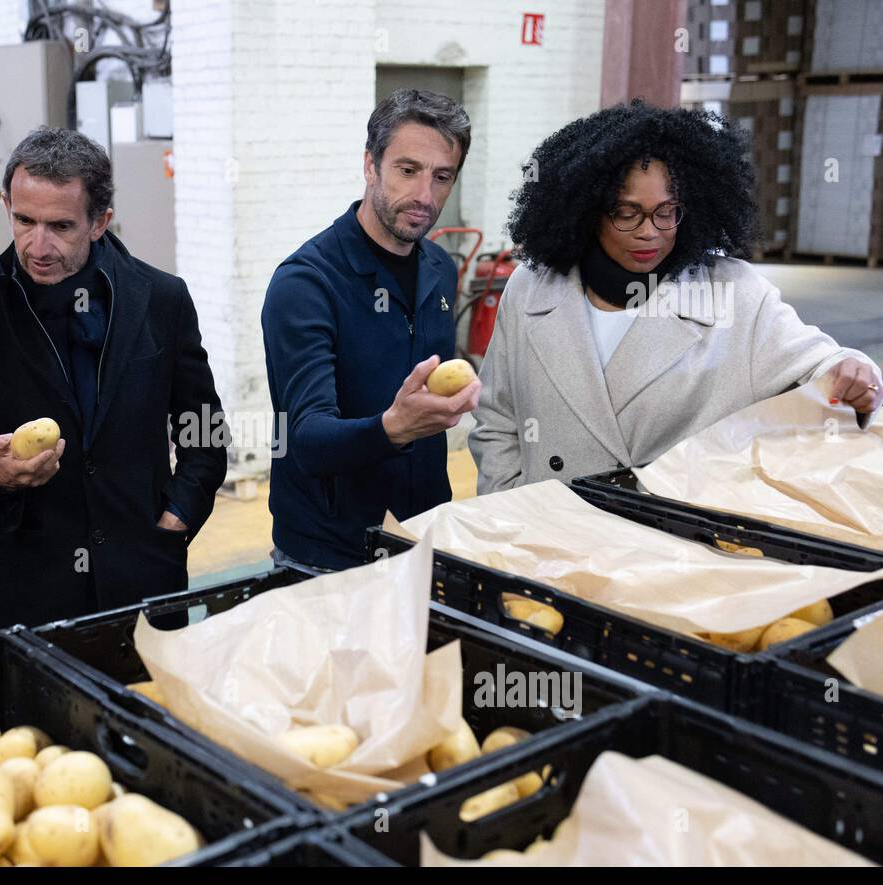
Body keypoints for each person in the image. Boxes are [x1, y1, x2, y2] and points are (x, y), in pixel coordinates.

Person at [470, 100, 882, 494]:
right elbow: (497, 418)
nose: (650, 231)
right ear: (587, 210)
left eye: (667, 211)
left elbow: (823, 365)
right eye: (627, 212)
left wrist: (854, 372)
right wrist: (507, 503)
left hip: (675, 547)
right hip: (547, 536)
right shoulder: (530, 289)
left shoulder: (735, 294)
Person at [0, 126, 227, 630]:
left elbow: (205, 434)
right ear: (7, 205)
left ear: (100, 222)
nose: (37, 245)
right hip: (33, 592)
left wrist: (175, 520)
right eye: (23, 220)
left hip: (146, 581)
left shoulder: (162, 300)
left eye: (60, 226)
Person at [261, 88, 480, 571]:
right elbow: (309, 439)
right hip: (326, 555)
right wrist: (394, 428)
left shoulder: (439, 268)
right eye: (407, 170)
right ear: (370, 165)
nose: (425, 196)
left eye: (441, 177)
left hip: (421, 537)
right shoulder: (306, 282)